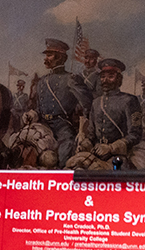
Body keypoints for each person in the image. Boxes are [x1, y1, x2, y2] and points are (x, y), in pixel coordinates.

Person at [71, 58, 142, 169]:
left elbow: (135, 134)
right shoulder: (96, 102)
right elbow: (91, 134)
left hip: (119, 157)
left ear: (119, 79)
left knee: (99, 171)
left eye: (110, 76)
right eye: (103, 77)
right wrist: (86, 144)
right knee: (73, 165)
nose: (105, 80)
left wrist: (111, 148)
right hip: (97, 154)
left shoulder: (129, 101)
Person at [34, 38, 90, 168]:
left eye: (49, 55)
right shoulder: (42, 81)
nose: (45, 59)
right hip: (43, 126)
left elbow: (87, 105)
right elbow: (38, 108)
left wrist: (82, 130)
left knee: (66, 148)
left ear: (59, 58)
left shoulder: (72, 79)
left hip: (62, 126)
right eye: (46, 55)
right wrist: (33, 114)